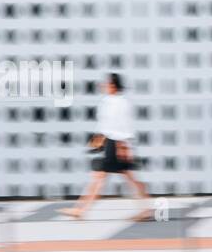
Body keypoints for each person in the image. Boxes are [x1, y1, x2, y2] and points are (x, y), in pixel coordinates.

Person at [61, 72, 153, 220]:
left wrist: (124, 146)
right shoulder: (108, 101)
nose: (103, 85)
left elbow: (125, 125)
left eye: (107, 83)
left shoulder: (121, 102)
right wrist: (97, 140)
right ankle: (147, 209)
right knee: (126, 178)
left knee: (101, 177)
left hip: (117, 144)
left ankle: (80, 209)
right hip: (111, 143)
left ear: (113, 85)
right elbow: (104, 124)